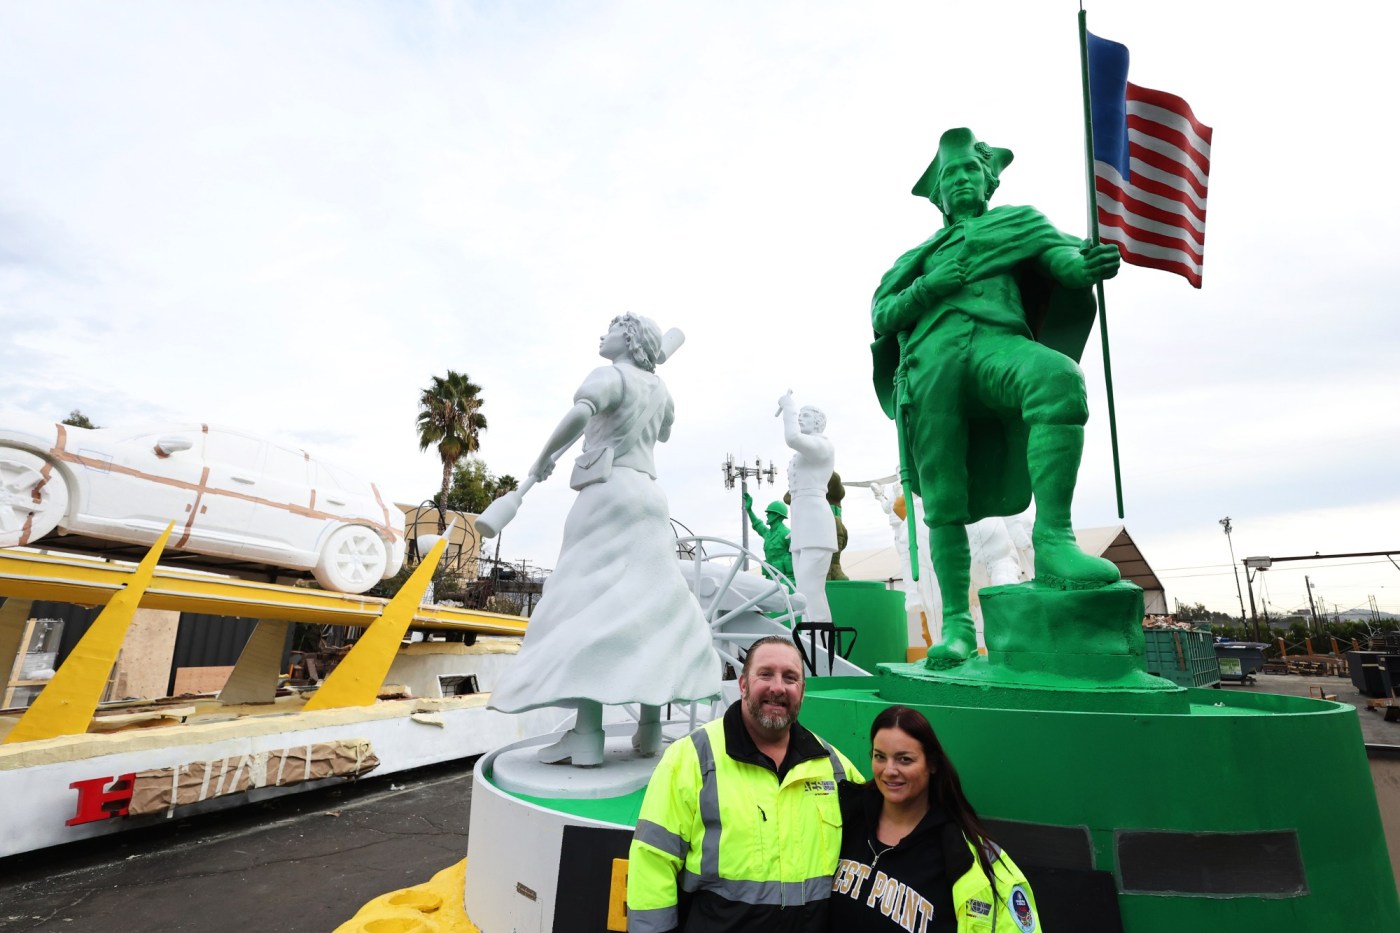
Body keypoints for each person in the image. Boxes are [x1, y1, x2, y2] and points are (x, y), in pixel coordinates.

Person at [871, 127, 1123, 669]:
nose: (960, 180)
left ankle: (1054, 540)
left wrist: (1089, 265)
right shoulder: (920, 256)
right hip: (931, 367)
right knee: (943, 500)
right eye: (949, 175)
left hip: (996, 346)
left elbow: (1063, 262)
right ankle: (958, 627)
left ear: (988, 179)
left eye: (968, 171)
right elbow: (881, 315)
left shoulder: (1020, 222)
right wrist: (932, 284)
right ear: (938, 194)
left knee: (1058, 379)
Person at [487, 313, 720, 766]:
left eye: (612, 328)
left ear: (629, 340)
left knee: (587, 607)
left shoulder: (608, 376)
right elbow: (666, 431)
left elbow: (580, 414)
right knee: (652, 605)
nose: (602, 334)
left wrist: (541, 462)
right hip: (651, 496)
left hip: (608, 494)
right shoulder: (661, 390)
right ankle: (650, 731)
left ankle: (587, 735)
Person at [627, 635, 860, 933]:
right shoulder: (691, 760)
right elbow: (652, 864)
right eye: (765, 674)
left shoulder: (835, 768)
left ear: (801, 692)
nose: (777, 687)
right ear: (742, 684)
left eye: (790, 678)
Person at [830, 705, 1040, 932]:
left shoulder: (961, 854)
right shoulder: (844, 821)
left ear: (931, 764)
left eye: (905, 760)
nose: (889, 770)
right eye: (880, 757)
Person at [777, 393, 837, 628]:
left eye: (806, 415)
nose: (801, 418)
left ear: (818, 422)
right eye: (799, 414)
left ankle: (819, 646)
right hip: (802, 527)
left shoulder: (823, 446)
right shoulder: (805, 452)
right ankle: (807, 642)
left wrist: (789, 407)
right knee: (803, 593)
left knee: (811, 591)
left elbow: (792, 437)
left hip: (817, 525)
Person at [743, 491, 795, 582]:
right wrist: (749, 510)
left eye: (770, 513)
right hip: (770, 578)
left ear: (777, 515)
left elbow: (798, 554)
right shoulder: (768, 534)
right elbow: (758, 525)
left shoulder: (786, 533)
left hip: (786, 580)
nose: (767, 515)